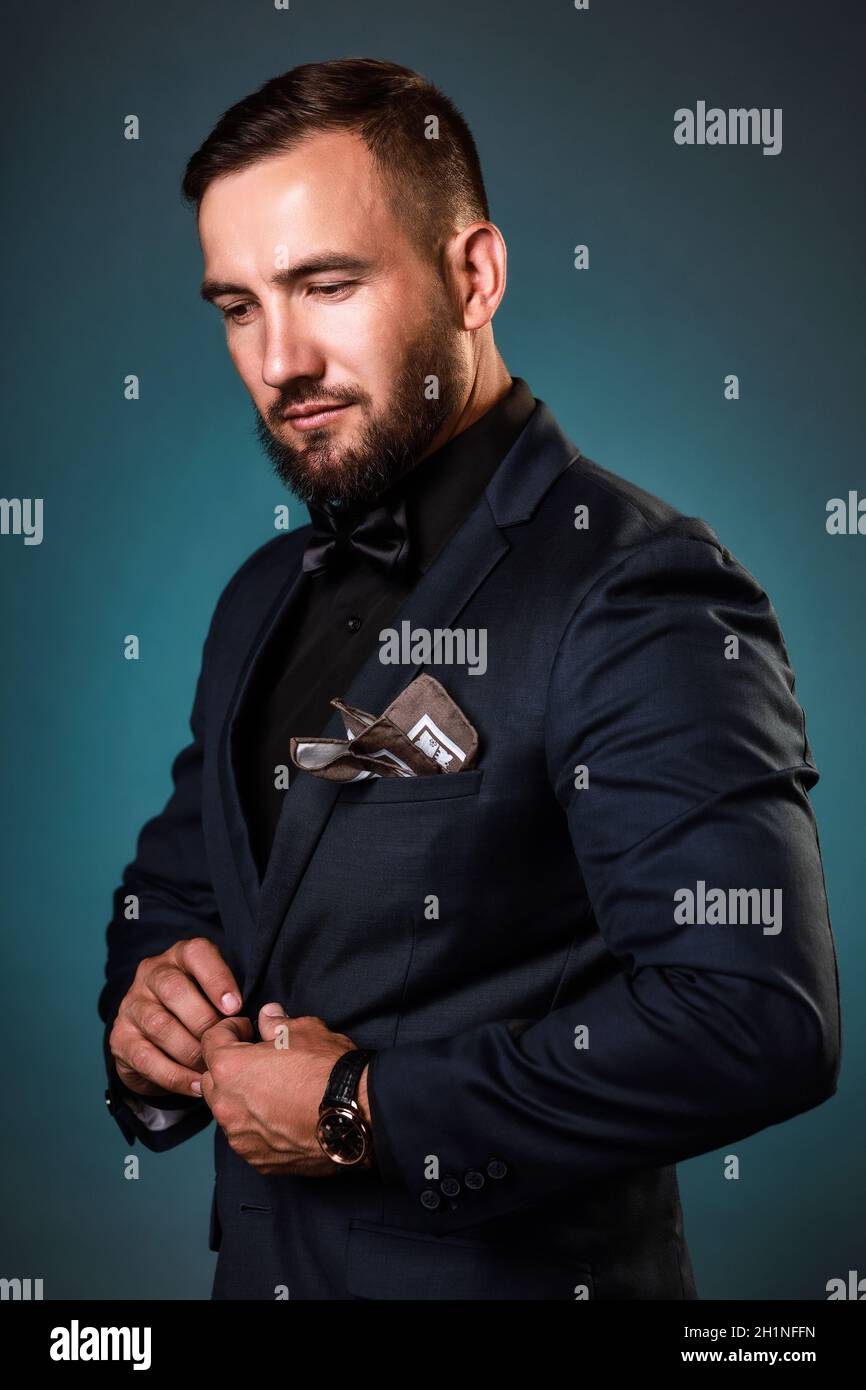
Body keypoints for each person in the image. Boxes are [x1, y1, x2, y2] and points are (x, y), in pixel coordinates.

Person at [99, 57, 840, 1300]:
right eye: (237, 307)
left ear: (473, 275)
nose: (279, 362)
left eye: (325, 285)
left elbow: (752, 1021)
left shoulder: (638, 588)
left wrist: (362, 1110)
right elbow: (182, 890)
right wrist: (148, 1011)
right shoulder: (256, 598)